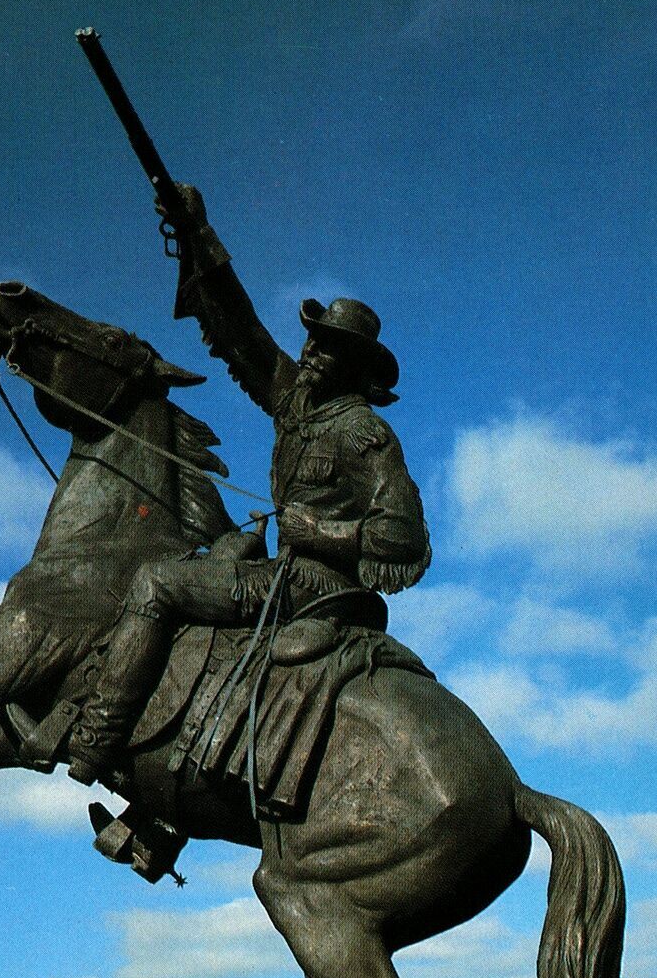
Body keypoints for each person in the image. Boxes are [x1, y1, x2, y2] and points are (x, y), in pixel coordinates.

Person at [66, 185, 431, 786]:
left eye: (331, 349)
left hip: (315, 584)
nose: (312, 351)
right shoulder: (296, 402)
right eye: (314, 338)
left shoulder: (366, 434)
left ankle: (95, 741)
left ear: (358, 370)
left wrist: (319, 530)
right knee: (203, 560)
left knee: (157, 584)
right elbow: (243, 330)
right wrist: (195, 234)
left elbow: (405, 537)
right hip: (282, 571)